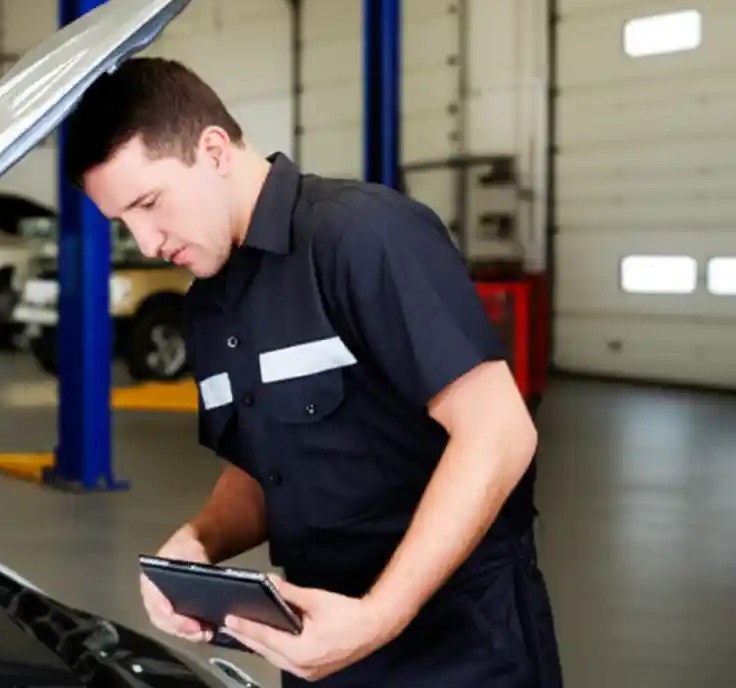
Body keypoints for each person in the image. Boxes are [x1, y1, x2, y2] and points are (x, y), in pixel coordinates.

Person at [61, 57, 563, 686]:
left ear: (213, 149)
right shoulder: (209, 304)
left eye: (150, 203)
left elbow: (499, 432)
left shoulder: (363, 235)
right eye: (123, 223)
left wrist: (380, 615)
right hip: (316, 644)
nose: (147, 242)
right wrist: (196, 544)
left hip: (460, 649)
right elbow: (260, 470)